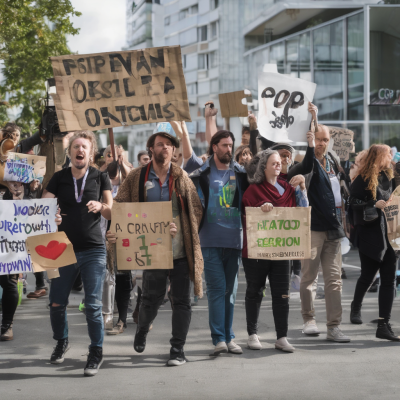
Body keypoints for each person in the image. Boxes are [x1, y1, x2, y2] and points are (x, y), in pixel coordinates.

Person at [107, 131, 203, 367]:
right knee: (151, 298)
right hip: (150, 250)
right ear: (151, 149)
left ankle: (177, 348)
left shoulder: (182, 178)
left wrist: (179, 228)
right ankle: (141, 329)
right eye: (160, 145)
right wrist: (115, 229)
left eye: (169, 145)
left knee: (182, 301)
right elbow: (119, 206)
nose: (166, 148)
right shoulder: (137, 177)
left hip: (180, 251)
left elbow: (196, 210)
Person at [42, 130, 113, 376]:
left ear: (90, 152)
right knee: (56, 303)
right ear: (70, 152)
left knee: (93, 305)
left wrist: (101, 206)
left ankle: (95, 351)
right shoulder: (59, 178)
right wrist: (53, 216)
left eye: (84, 147)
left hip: (93, 249)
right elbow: (43, 209)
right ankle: (61, 341)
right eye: (75, 147)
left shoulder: (100, 177)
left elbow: (112, 212)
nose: (79, 150)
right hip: (61, 249)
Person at [242, 149, 309, 352]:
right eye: (273, 163)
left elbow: (303, 211)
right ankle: (252, 334)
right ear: (264, 167)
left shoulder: (288, 189)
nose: (278, 165)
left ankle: (281, 337)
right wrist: (259, 210)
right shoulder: (253, 191)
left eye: (280, 162)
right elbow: (246, 217)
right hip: (258, 252)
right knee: (255, 291)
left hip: (282, 250)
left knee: (282, 294)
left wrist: (303, 189)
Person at [190, 130, 249, 355]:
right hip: (209, 241)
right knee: (217, 289)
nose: (228, 149)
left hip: (234, 241)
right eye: (224, 145)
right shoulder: (202, 174)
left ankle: (229, 336)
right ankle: (219, 339)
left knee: (231, 292)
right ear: (214, 147)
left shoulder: (241, 173)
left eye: (230, 145)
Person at [299, 124, 350, 343]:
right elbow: (305, 168)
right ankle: (309, 319)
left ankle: (334, 327)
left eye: (326, 140)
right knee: (309, 278)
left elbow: (344, 190)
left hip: (334, 228)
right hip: (312, 228)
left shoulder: (333, 161)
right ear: (311, 140)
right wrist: (313, 118)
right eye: (319, 139)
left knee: (334, 280)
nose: (323, 143)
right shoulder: (305, 161)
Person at [349, 144, 400, 341]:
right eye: (388, 154)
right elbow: (351, 201)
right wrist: (372, 204)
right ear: (379, 156)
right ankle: (356, 306)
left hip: (390, 233)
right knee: (368, 276)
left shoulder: (389, 176)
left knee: (389, 279)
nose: (391, 157)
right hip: (370, 234)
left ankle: (383, 324)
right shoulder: (362, 179)